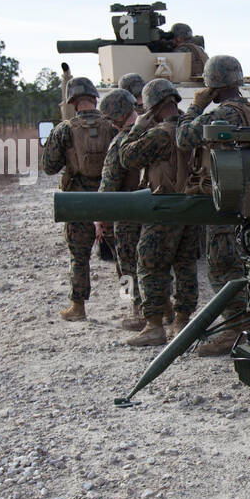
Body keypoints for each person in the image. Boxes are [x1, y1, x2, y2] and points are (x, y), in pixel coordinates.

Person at [174, 54, 250, 356]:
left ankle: (237, 328)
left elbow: (183, 138)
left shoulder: (224, 113)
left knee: (221, 269)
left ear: (212, 85)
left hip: (228, 201)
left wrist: (196, 106)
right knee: (244, 266)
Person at [118, 78, 199, 347]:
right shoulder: (191, 129)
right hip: (192, 208)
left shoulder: (160, 134)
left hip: (164, 206)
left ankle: (154, 326)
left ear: (152, 107)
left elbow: (126, 158)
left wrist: (137, 129)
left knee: (149, 264)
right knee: (185, 265)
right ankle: (182, 321)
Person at [42, 76, 116, 321]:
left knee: (79, 256)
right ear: (95, 98)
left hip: (78, 201)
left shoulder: (64, 129)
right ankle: (133, 306)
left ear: (72, 102)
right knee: (123, 257)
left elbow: (49, 167)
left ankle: (78, 307)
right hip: (111, 200)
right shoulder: (112, 126)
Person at [98, 88, 145, 331]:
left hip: (127, 213)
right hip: (156, 209)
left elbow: (109, 185)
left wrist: (100, 217)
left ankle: (135, 310)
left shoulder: (120, 142)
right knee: (154, 264)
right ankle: (163, 309)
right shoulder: (152, 132)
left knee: (127, 265)